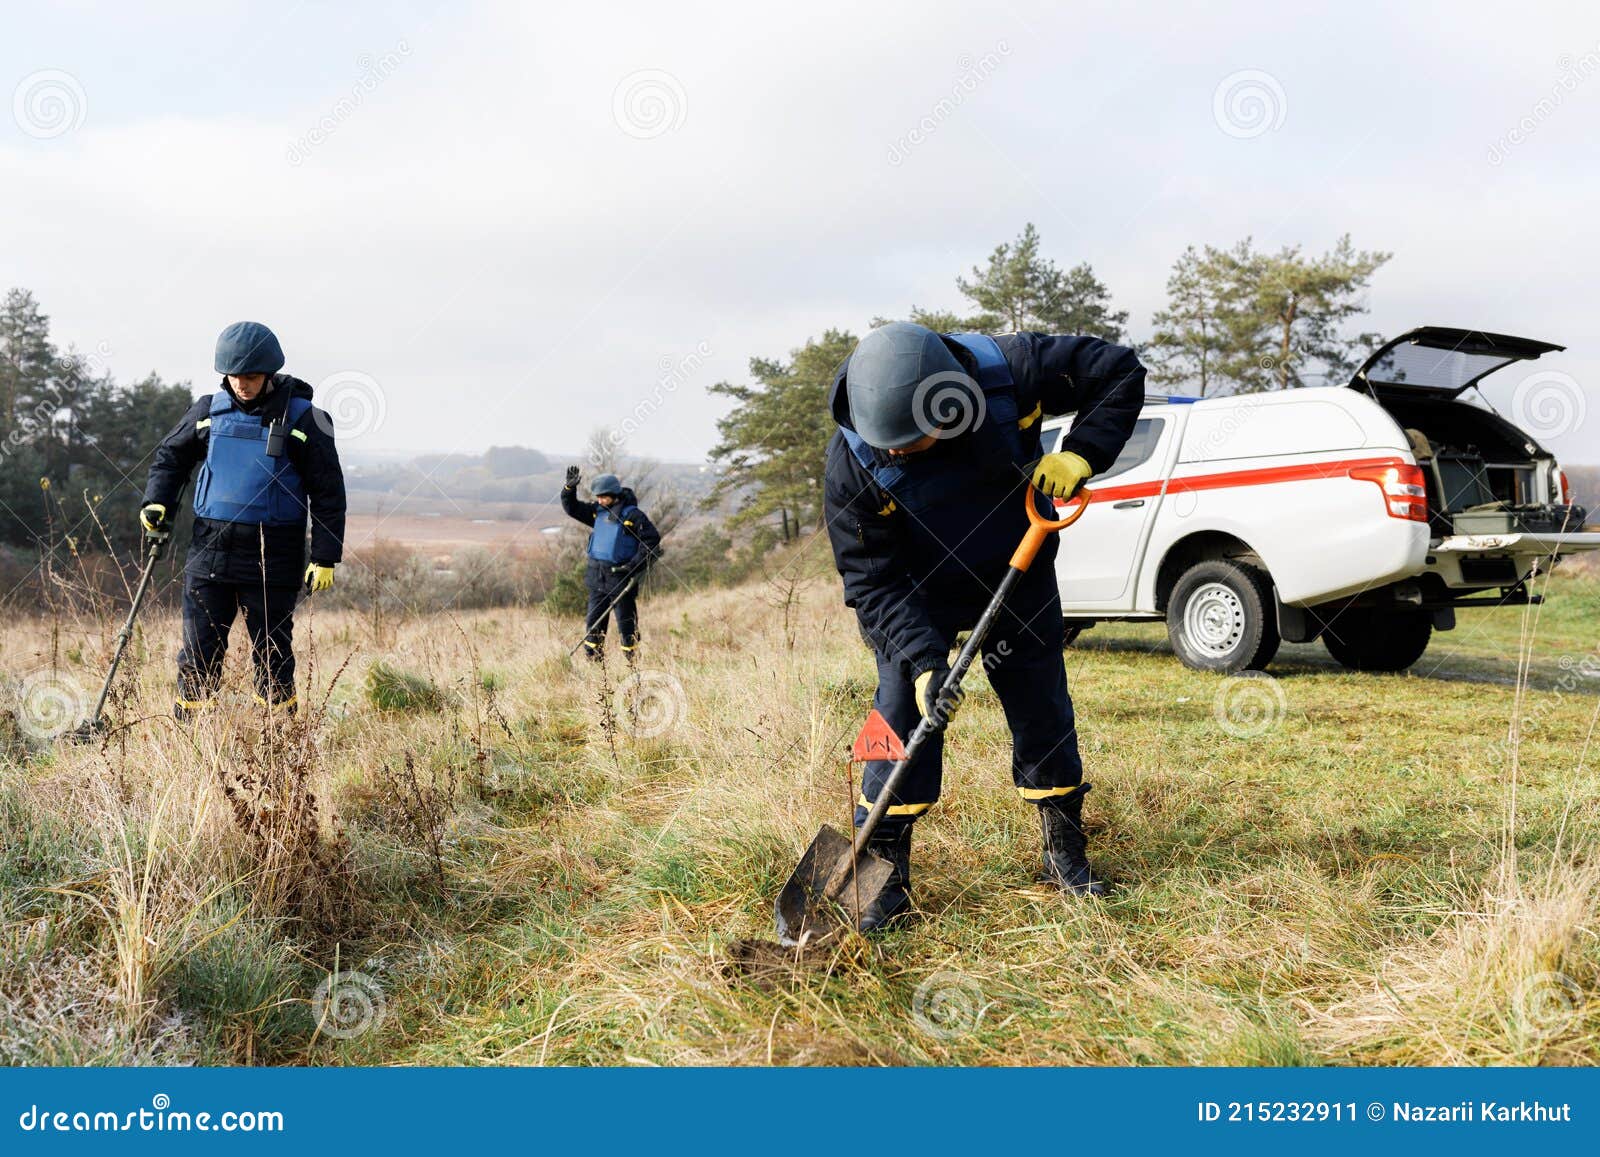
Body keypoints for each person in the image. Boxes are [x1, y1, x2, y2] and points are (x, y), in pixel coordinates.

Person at [823, 321, 1144, 930]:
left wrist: (1082, 452)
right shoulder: (853, 464)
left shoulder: (1017, 370)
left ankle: (1064, 851)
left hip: (1018, 567)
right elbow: (871, 582)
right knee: (899, 713)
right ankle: (882, 874)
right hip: (916, 594)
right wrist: (923, 662)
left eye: (908, 441)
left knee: (1040, 701)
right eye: (886, 442)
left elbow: (1120, 371)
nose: (894, 452)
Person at [141, 322, 346, 718]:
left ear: (269, 372)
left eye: (250, 376)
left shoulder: (306, 419)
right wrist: (157, 501)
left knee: (272, 655)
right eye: (233, 376)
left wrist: (325, 556)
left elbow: (328, 492)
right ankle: (193, 737)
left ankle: (277, 737)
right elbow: (170, 458)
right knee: (198, 653)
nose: (242, 384)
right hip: (209, 552)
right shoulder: (207, 411)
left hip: (274, 556)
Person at [561, 467, 661, 661]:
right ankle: (595, 663)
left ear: (615, 495)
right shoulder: (597, 512)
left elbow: (652, 541)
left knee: (626, 624)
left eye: (603, 497)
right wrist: (569, 489)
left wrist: (632, 566)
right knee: (593, 625)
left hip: (621, 579)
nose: (599, 501)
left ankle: (632, 662)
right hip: (596, 579)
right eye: (598, 497)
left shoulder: (633, 516)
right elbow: (572, 508)